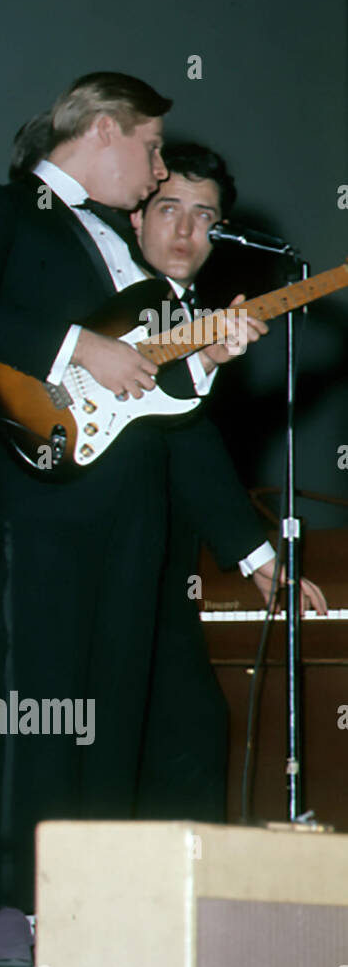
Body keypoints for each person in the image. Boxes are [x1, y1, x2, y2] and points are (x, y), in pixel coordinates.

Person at [0, 73, 284, 918]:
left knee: (116, 714)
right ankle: (18, 917)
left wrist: (204, 361)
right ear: (104, 131)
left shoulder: (127, 254)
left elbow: (148, 393)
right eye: (152, 148)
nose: (159, 172)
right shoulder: (0, 206)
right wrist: (78, 346)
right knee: (45, 707)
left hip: (131, 512)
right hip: (42, 497)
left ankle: (96, 915)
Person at [128, 143, 328, 820]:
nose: (185, 232)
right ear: (133, 217)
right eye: (168, 210)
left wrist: (259, 559)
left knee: (189, 733)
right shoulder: (99, 300)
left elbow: (191, 445)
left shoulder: (190, 314)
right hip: (81, 562)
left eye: (204, 216)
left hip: (160, 566)